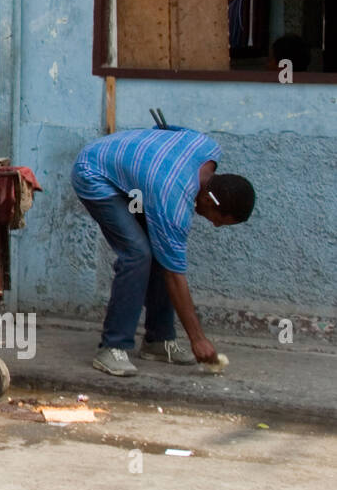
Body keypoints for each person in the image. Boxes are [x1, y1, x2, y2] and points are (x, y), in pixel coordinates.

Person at [72, 126, 255, 377]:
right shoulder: (174, 202)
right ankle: (112, 347)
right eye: (219, 220)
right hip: (94, 172)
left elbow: (166, 130)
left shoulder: (208, 147)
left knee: (161, 249)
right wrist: (198, 339)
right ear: (211, 201)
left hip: (130, 178)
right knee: (137, 254)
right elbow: (174, 275)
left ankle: (159, 340)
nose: (214, 224)